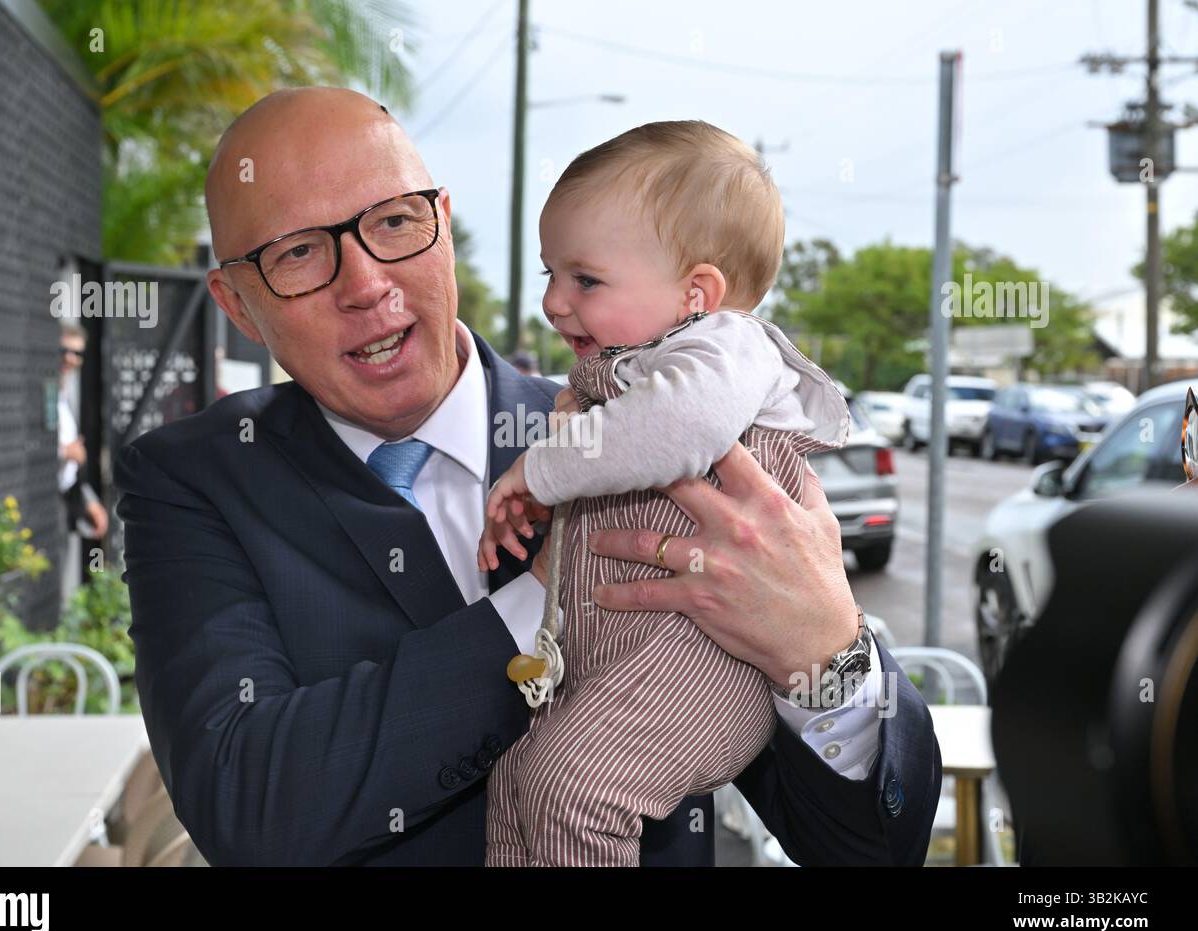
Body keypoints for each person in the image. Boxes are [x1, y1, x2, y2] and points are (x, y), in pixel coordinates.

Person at [114, 87, 941, 866]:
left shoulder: (655, 435)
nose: (366, 286)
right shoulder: (195, 480)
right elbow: (246, 805)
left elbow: (865, 849)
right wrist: (539, 597)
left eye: (394, 223)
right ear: (236, 304)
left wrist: (824, 652)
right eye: (298, 254)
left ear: (442, 222)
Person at [478, 121, 855, 866]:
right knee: (517, 779)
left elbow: (674, 426)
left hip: (707, 667)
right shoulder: (626, 374)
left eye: (584, 279)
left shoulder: (725, 351)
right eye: (549, 272)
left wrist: (541, 471)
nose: (554, 302)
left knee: (570, 788)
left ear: (698, 294)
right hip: (630, 657)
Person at [58, 323, 108, 599]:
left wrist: (88, 499)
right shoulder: (39, 390)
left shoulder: (63, 394)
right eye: (64, 351)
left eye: (77, 354)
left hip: (66, 498)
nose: (71, 359)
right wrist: (66, 452)